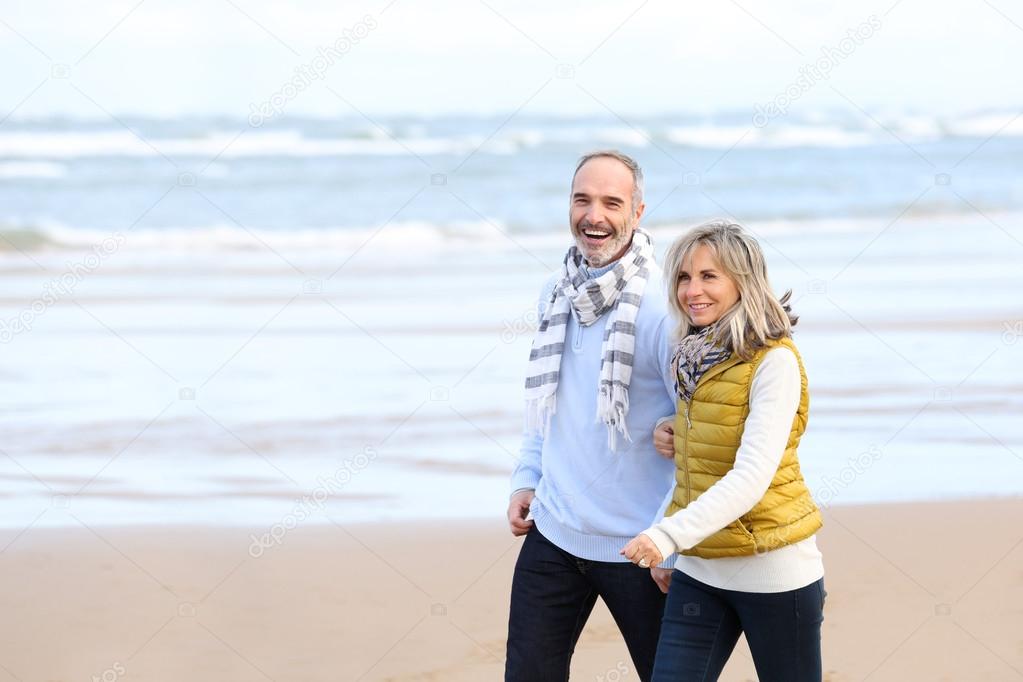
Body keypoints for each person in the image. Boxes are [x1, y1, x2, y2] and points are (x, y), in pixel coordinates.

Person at [621, 221, 826, 682]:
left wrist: (666, 536)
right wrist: (671, 428)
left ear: (742, 281)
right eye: (683, 277)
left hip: (774, 572)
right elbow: (697, 467)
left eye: (708, 276)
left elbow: (750, 477)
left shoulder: (775, 361)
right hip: (701, 572)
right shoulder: (692, 358)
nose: (692, 291)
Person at [505, 151, 678, 682]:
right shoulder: (556, 291)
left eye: (611, 202)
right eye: (582, 200)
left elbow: (698, 430)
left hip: (640, 546)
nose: (593, 216)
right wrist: (527, 476)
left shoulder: (662, 307)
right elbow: (548, 402)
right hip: (555, 531)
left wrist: (672, 538)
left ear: (638, 211)